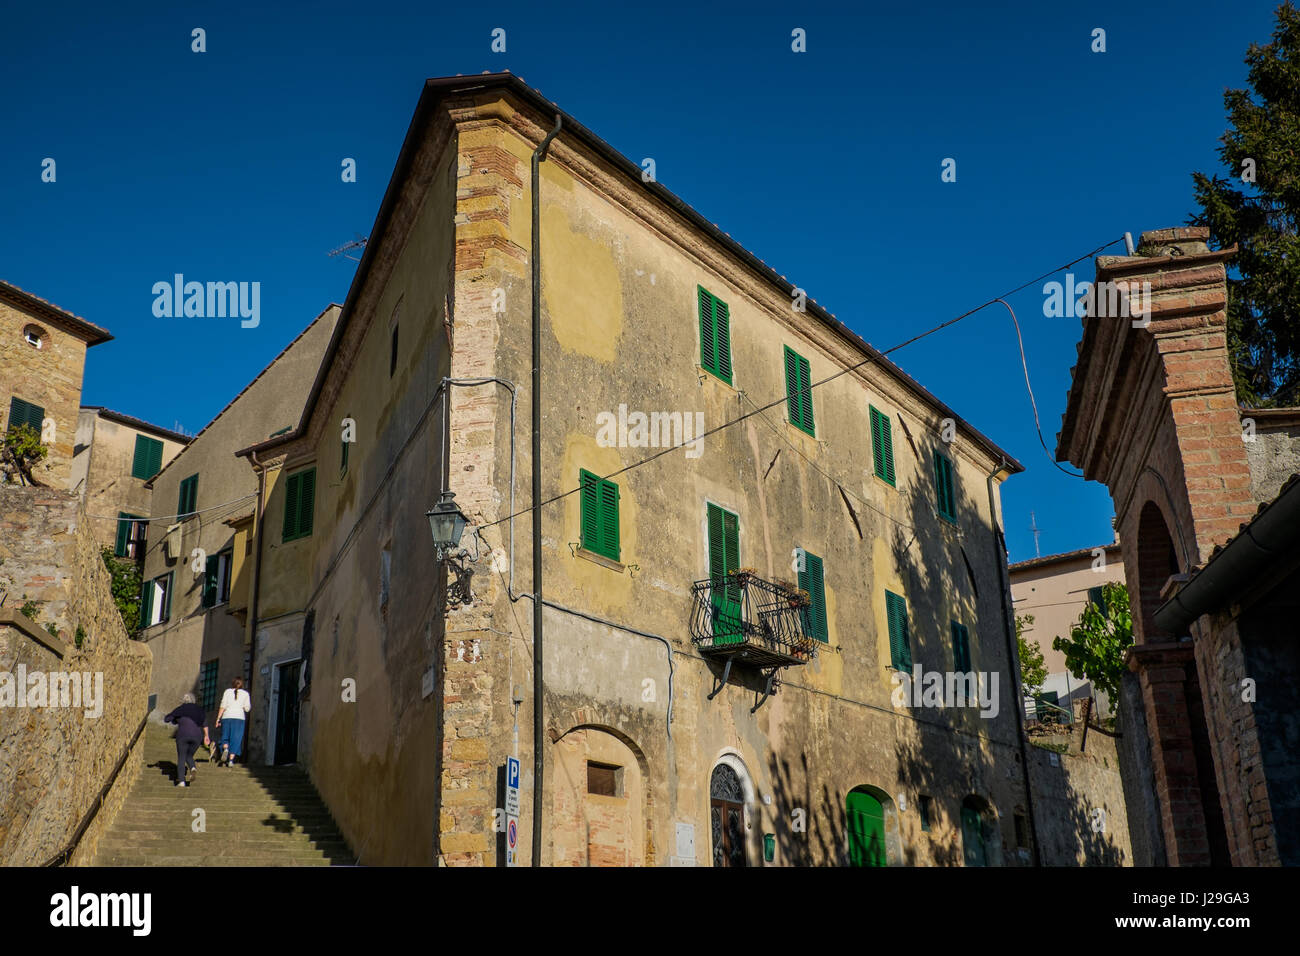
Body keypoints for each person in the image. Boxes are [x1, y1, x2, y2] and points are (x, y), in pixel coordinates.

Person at [163, 693, 209, 787]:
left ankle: (182, 781)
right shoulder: (199, 710)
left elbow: (167, 719)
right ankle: (192, 768)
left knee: (181, 757)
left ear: (183, 701)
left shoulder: (180, 709)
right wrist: (206, 736)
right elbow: (205, 723)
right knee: (189, 755)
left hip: (183, 735)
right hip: (197, 737)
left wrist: (175, 719)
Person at [215, 676, 251, 766]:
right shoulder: (245, 694)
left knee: (225, 736)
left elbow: (222, 706)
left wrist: (218, 718)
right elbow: (247, 708)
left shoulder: (227, 692)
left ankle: (226, 749)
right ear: (242, 684)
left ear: (233, 683)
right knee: (236, 739)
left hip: (227, 717)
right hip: (239, 718)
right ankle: (231, 760)